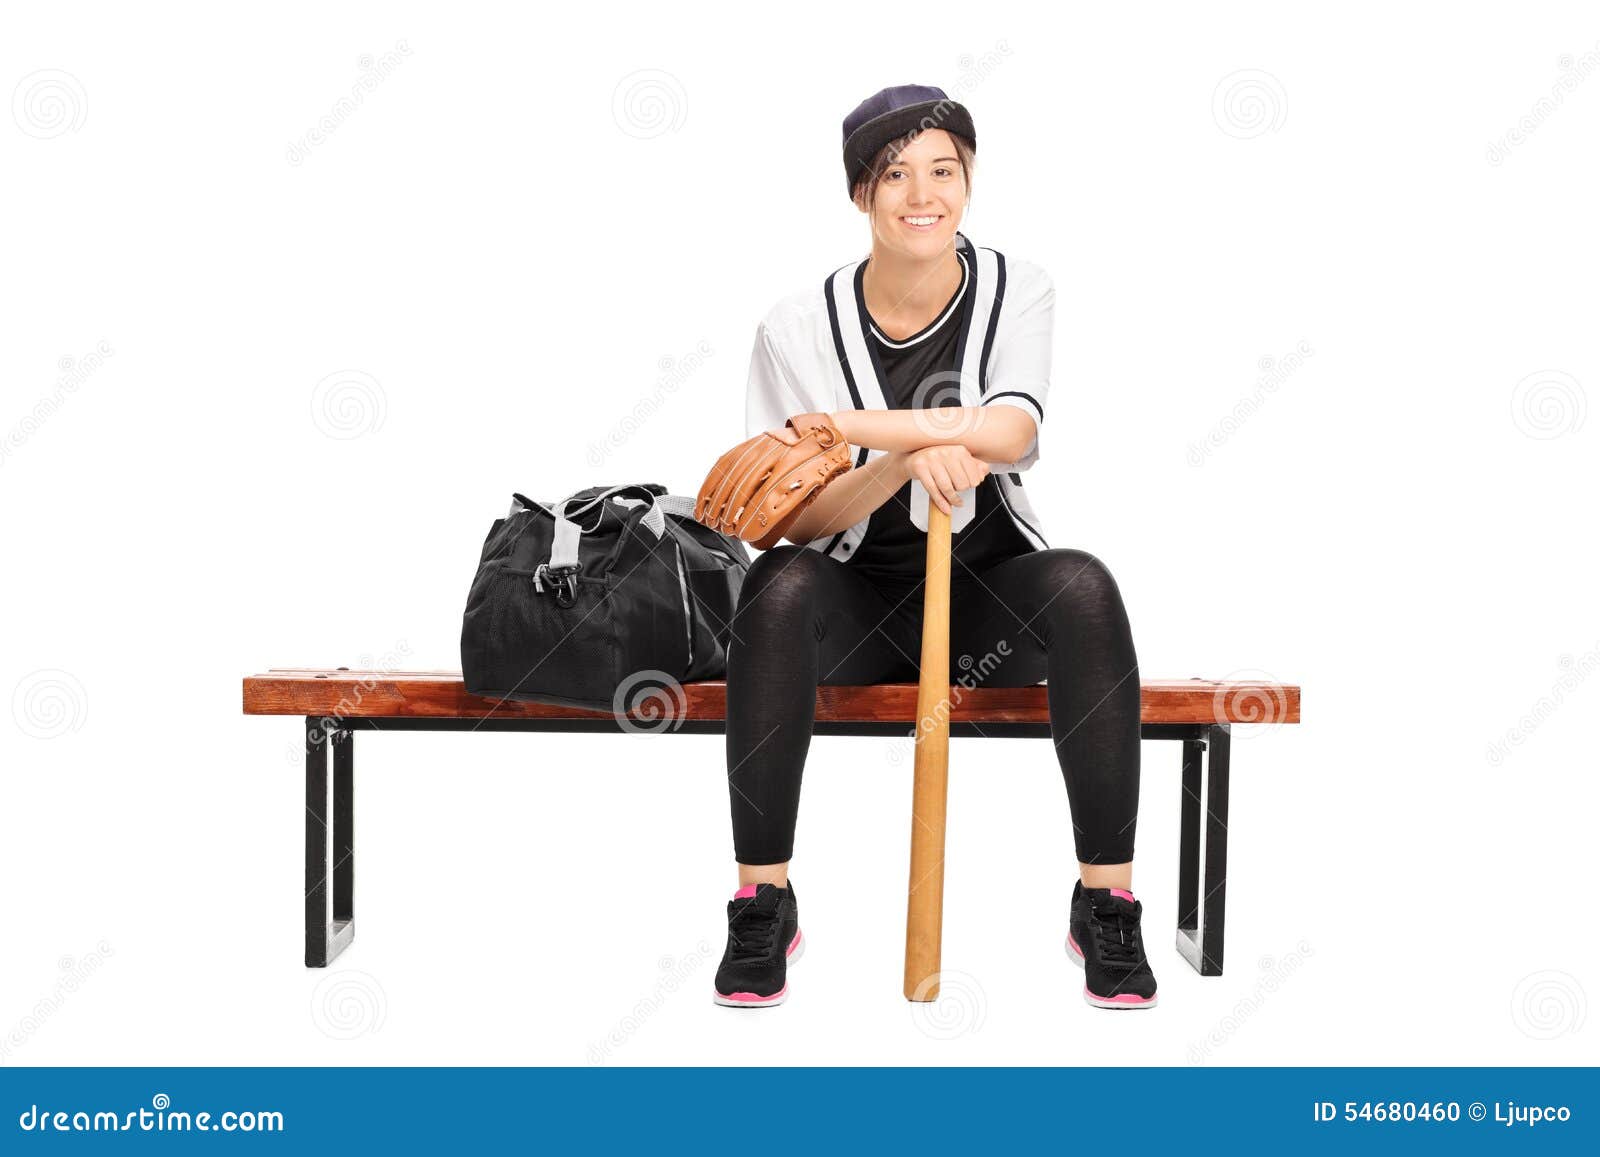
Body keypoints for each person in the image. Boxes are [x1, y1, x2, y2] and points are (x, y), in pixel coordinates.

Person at [712, 85, 1156, 1011]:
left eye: (944, 171)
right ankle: (764, 897)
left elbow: (1006, 432)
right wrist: (907, 453)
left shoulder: (1017, 286)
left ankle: (1104, 900)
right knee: (777, 586)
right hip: (856, 607)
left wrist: (852, 425)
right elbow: (795, 517)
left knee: (1084, 587)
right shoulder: (797, 325)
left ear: (969, 180)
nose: (924, 194)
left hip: (987, 604)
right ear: (862, 196)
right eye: (896, 175)